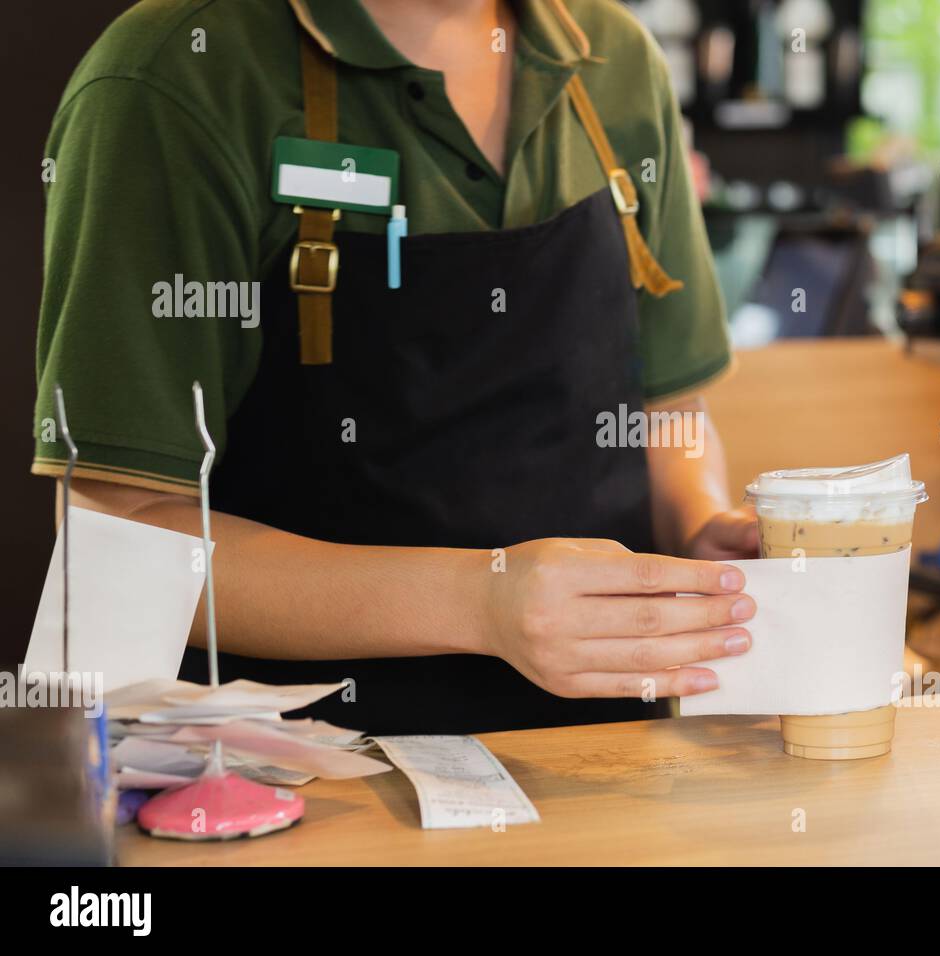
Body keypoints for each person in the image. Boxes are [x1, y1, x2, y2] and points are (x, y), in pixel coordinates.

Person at [32, 0, 759, 734]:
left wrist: (699, 523)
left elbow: (668, 414)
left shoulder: (614, 56)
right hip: (289, 780)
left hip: (608, 764)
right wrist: (483, 601)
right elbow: (125, 535)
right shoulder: (174, 75)